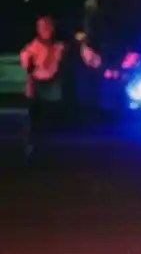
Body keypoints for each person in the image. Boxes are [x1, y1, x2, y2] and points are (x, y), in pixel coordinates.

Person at [18, 16, 101, 157]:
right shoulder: (31, 49)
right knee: (35, 120)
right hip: (38, 90)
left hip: (57, 89)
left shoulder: (61, 47)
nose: (46, 30)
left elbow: (89, 58)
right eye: (42, 27)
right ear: (38, 29)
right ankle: (34, 148)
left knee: (56, 121)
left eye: (48, 26)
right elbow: (29, 66)